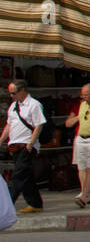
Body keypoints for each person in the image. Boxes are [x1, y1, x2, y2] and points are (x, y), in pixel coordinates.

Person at [2, 79, 47, 213]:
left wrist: (31, 143)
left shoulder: (34, 105)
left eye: (13, 93)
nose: (11, 96)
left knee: (18, 176)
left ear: (22, 90)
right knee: (26, 176)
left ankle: (6, 205)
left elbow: (39, 124)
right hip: (15, 145)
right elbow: (9, 125)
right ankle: (35, 204)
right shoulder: (14, 106)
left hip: (26, 145)